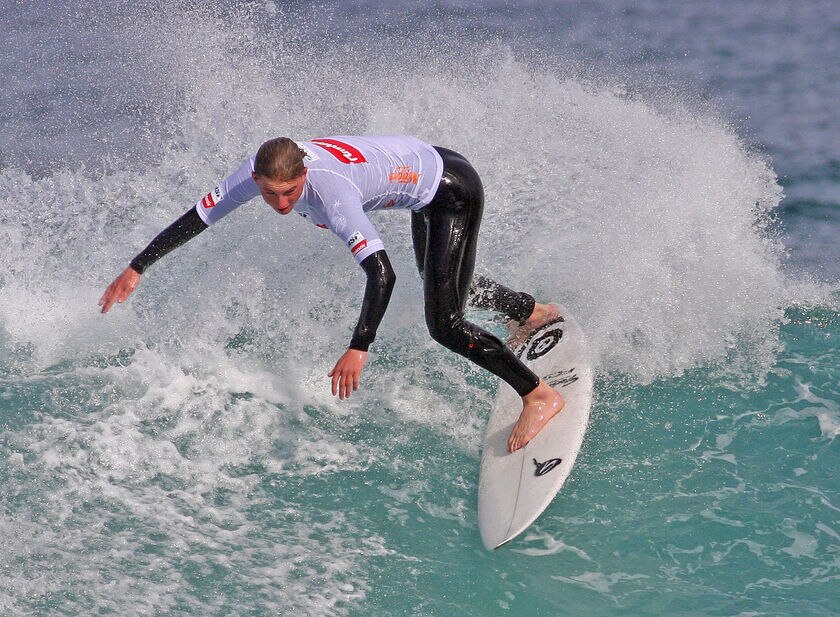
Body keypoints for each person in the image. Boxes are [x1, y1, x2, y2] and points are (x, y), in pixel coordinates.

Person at [99, 135, 564, 452]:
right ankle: (529, 312)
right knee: (442, 282)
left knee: (444, 323)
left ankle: (538, 395)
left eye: (290, 192)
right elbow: (197, 218)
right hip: (427, 168)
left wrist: (359, 345)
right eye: (269, 194)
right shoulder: (255, 173)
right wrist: (137, 266)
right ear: (256, 180)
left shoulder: (333, 193)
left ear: (303, 173)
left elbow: (382, 274)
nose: (282, 204)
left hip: (449, 189)